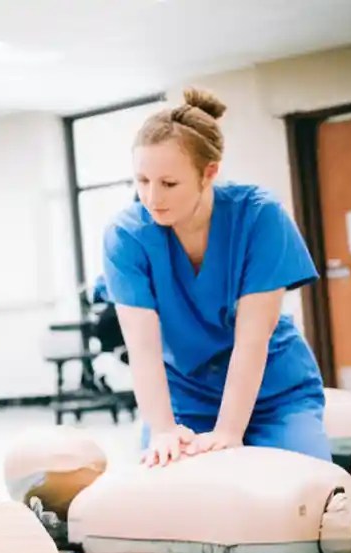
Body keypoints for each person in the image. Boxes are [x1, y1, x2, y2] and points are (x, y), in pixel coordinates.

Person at [102, 87, 328, 467]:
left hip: (273, 392)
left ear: (209, 173)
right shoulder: (126, 236)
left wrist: (228, 432)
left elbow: (252, 342)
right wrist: (162, 429)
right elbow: (142, 350)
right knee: (164, 492)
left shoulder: (259, 216)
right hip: (183, 397)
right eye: (141, 181)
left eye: (169, 183)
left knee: (303, 484)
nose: (152, 197)